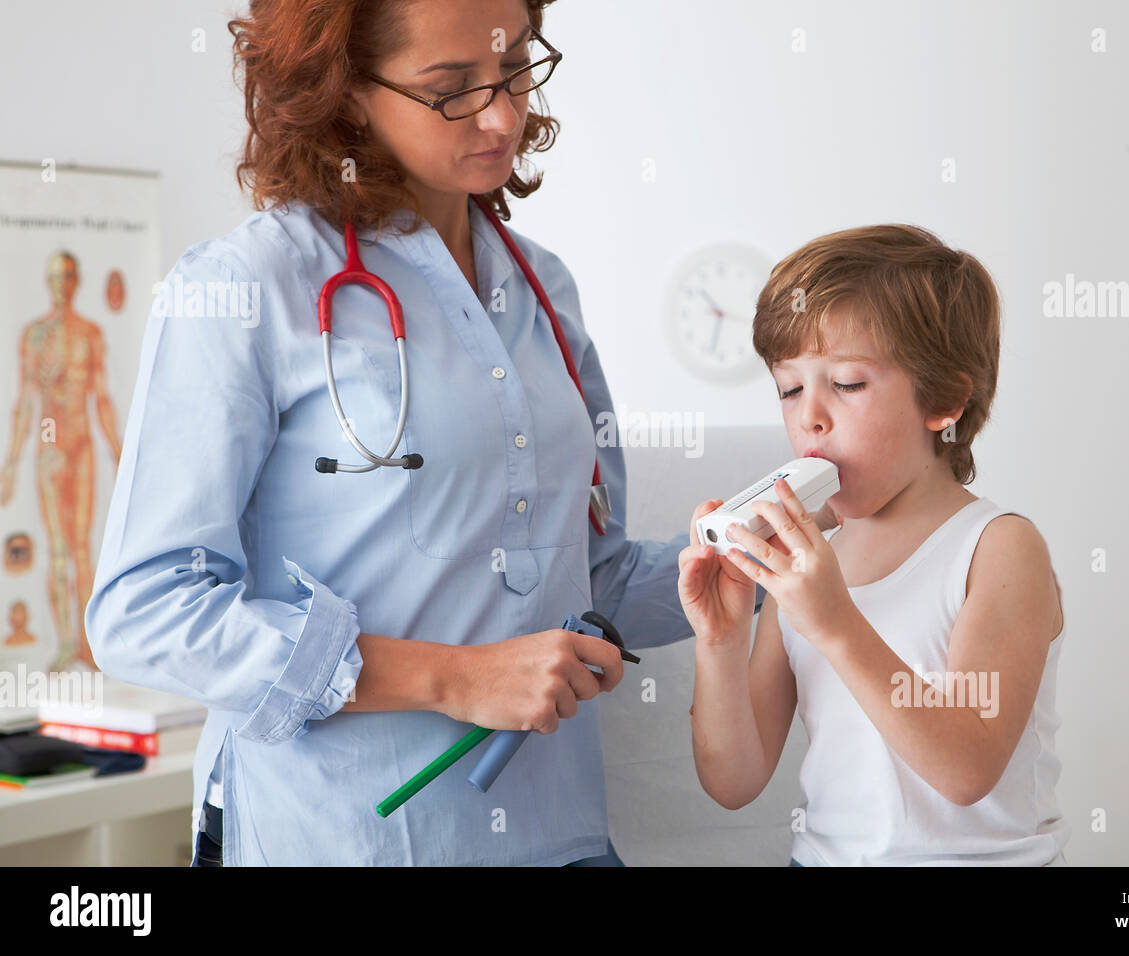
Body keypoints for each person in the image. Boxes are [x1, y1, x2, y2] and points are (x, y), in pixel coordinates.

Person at [85, 0, 759, 866]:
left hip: (559, 835)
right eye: (451, 89)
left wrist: (754, 555)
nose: (502, 114)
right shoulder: (246, 288)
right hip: (341, 838)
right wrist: (456, 677)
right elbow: (147, 611)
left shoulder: (543, 289)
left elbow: (590, 583)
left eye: (514, 66)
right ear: (345, 94)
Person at [679, 224, 1070, 865]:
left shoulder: (997, 549)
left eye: (849, 384)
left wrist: (836, 624)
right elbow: (734, 781)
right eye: (790, 388)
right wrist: (720, 642)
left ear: (943, 399)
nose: (810, 415)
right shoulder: (805, 562)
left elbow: (966, 770)